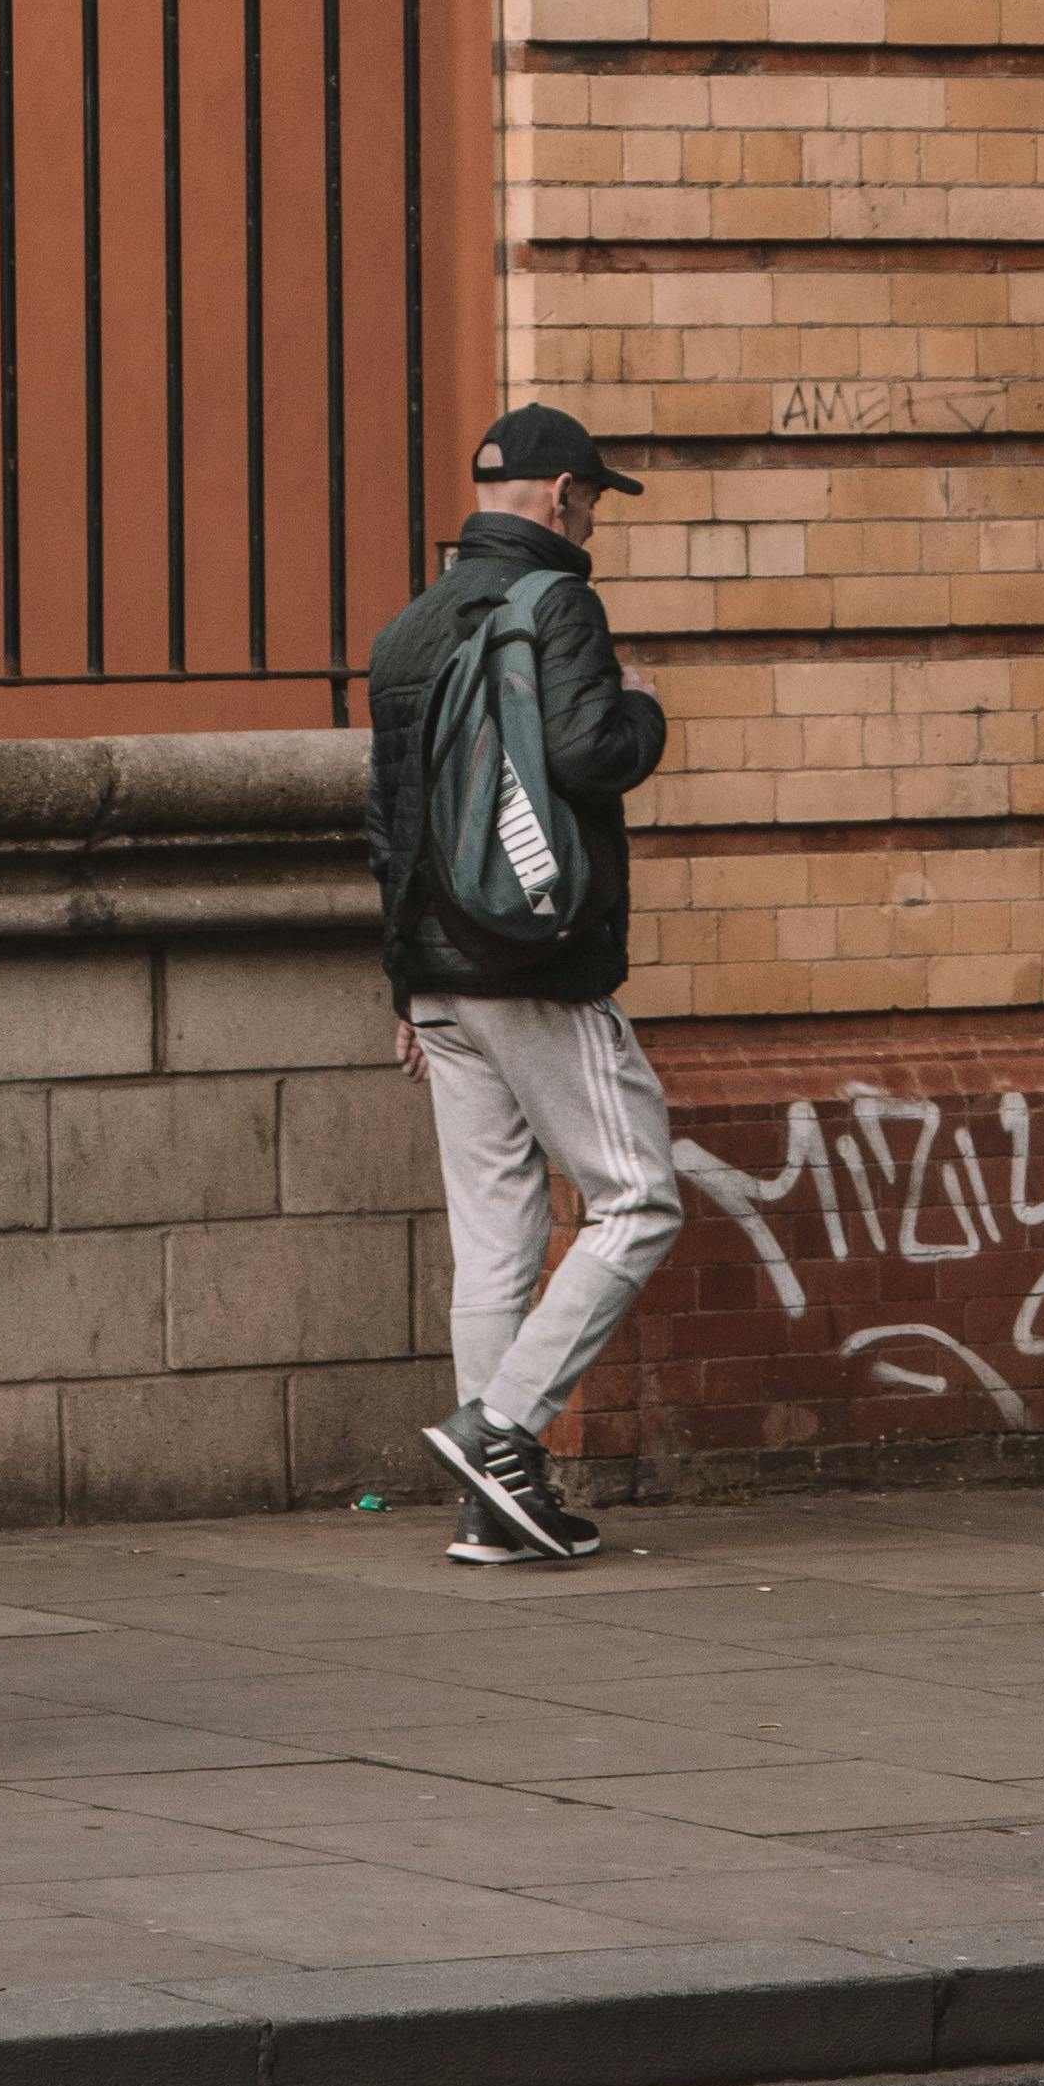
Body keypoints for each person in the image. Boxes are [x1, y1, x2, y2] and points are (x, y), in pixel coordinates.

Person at [369, 401, 683, 1574]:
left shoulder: (410, 626)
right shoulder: (559, 603)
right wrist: (642, 703)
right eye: (593, 498)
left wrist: (407, 986)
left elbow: (388, 823)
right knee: (638, 1195)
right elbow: (593, 753)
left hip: (441, 982)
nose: (593, 515)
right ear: (558, 496)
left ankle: (490, 1510)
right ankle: (500, 1431)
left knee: (494, 1240)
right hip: (534, 964)